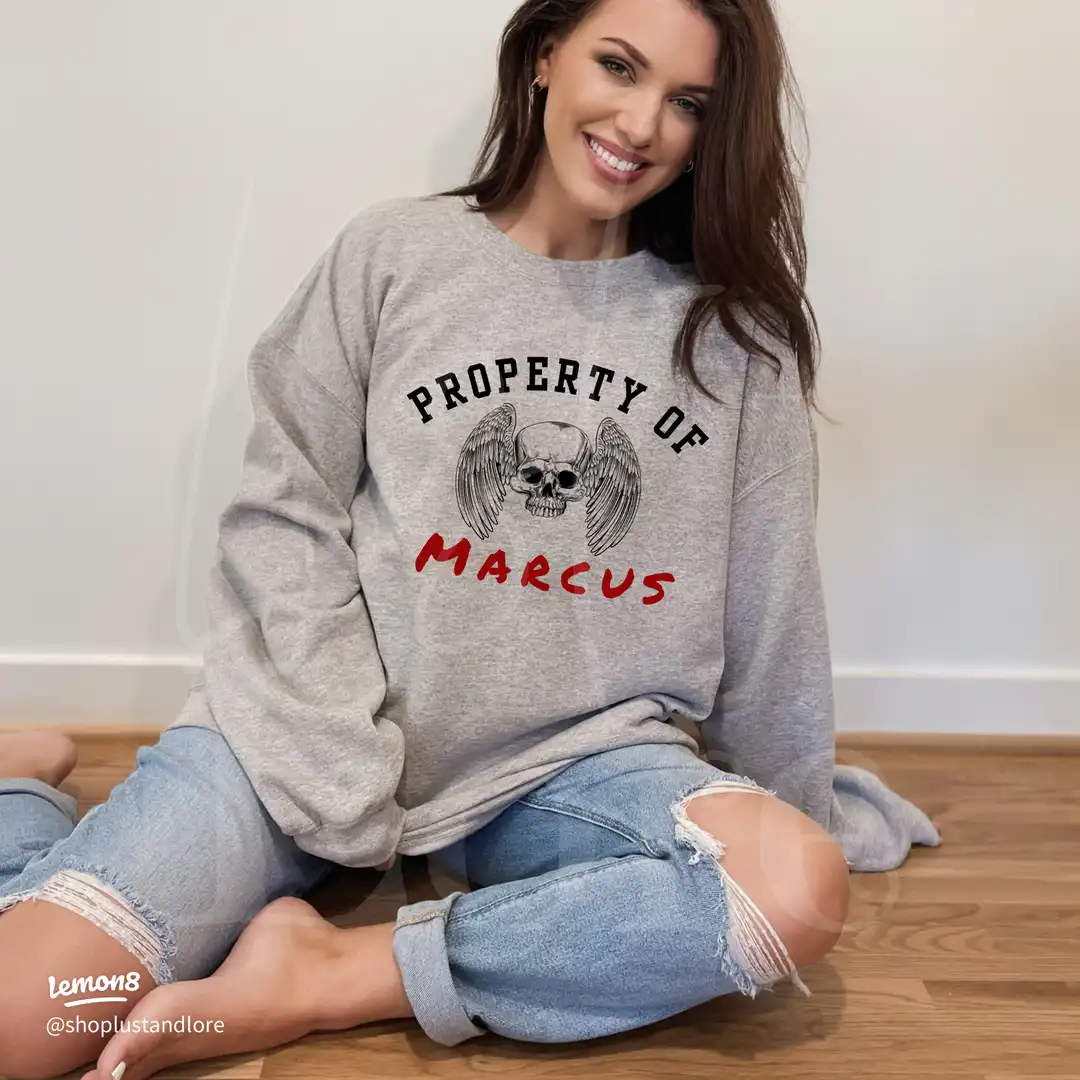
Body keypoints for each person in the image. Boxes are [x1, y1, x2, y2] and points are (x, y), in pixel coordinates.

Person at [0, 0, 941, 1077]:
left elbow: (772, 608)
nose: (640, 125)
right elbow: (284, 510)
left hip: (571, 763)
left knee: (791, 893)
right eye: (618, 67)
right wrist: (335, 757)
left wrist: (790, 810)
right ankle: (18, 800)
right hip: (304, 742)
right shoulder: (393, 256)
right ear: (546, 54)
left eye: (689, 103)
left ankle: (331, 973)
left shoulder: (734, 343)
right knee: (29, 1022)